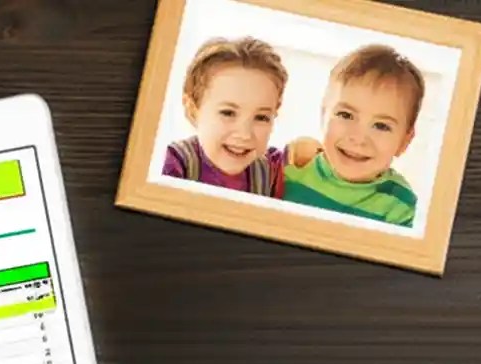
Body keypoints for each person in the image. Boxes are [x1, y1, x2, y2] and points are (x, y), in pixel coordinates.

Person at [283, 44, 424, 227]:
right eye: (346, 115)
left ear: (404, 142)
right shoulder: (288, 172)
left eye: (381, 126)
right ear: (323, 115)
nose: (358, 138)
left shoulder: (400, 208)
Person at [164, 37, 311, 198]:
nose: (244, 134)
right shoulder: (172, 164)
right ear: (192, 111)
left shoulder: (274, 170)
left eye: (261, 117)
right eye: (228, 113)